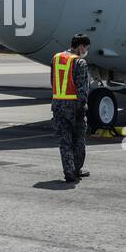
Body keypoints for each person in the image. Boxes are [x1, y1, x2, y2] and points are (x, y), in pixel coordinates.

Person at [50, 33, 91, 183]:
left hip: (58, 105)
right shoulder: (79, 63)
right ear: (80, 47)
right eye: (86, 48)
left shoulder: (56, 58)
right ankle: (77, 169)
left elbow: (52, 81)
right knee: (79, 140)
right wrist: (82, 108)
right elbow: (82, 90)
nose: (86, 51)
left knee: (64, 141)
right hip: (74, 107)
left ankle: (68, 171)